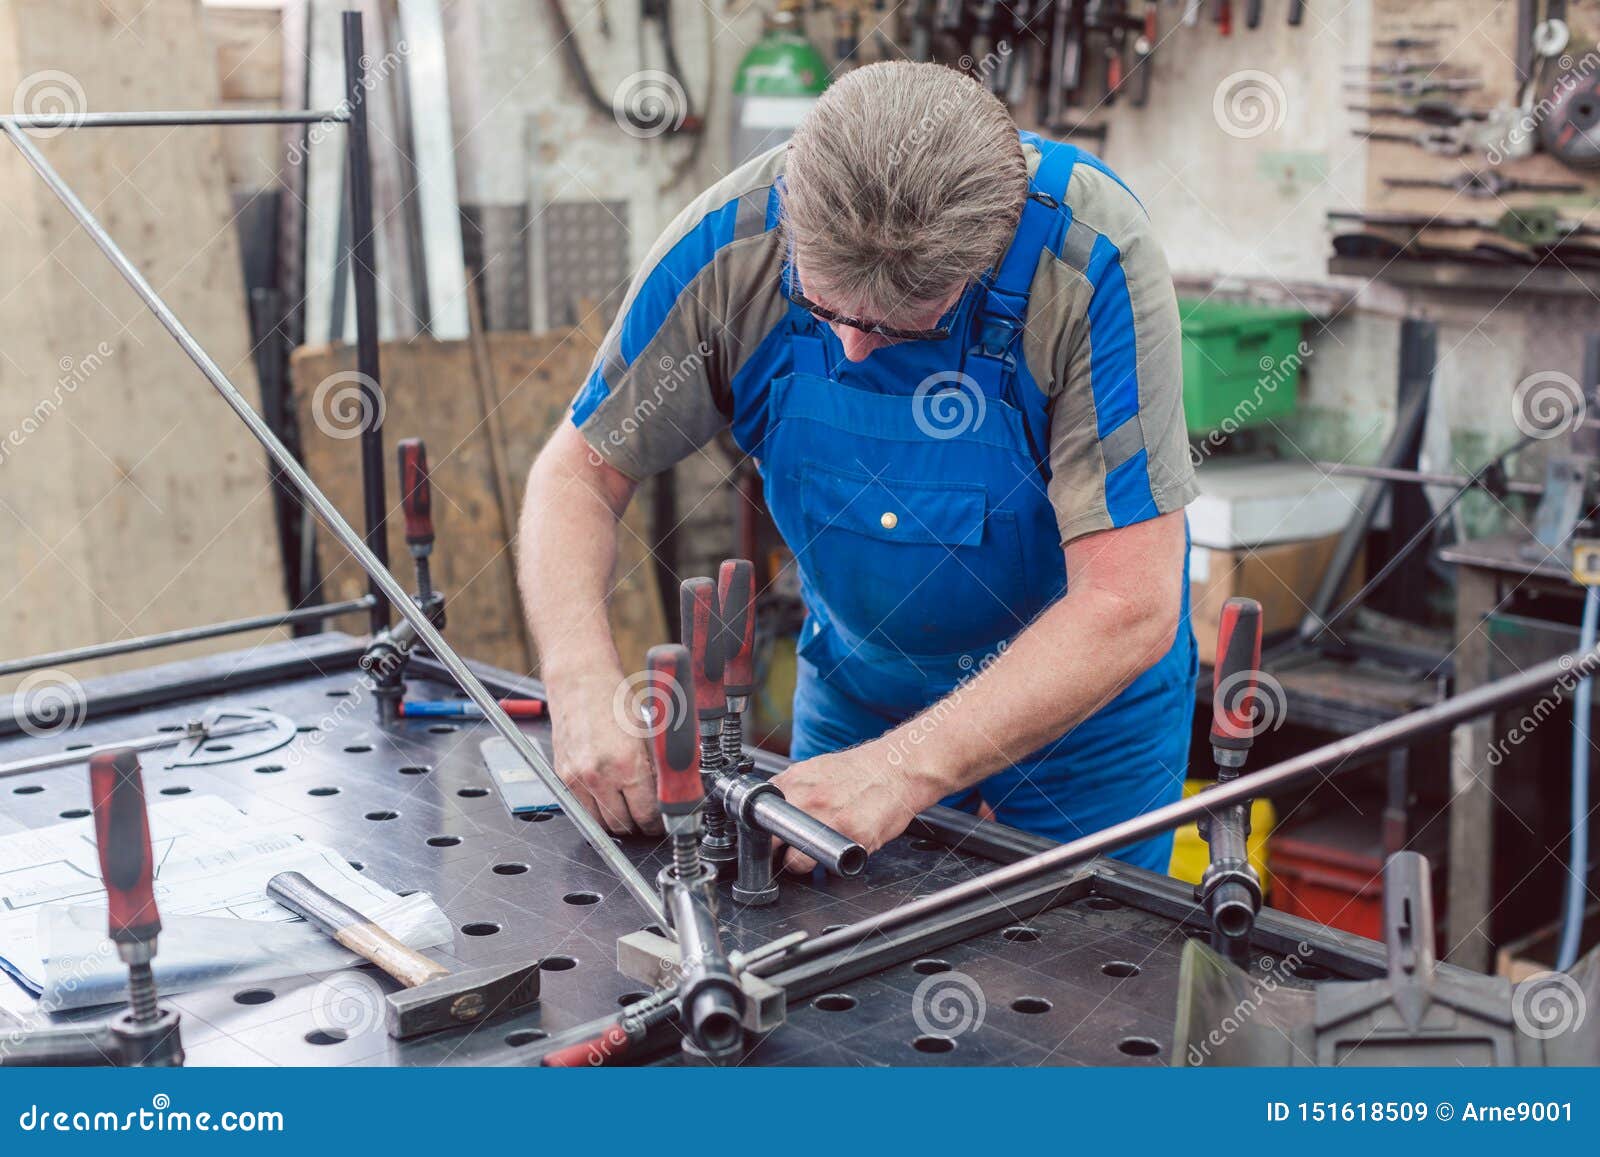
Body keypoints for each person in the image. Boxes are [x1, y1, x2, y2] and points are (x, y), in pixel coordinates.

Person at [519, 61, 1197, 875]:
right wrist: (581, 685)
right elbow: (578, 474)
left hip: (1082, 726)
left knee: (1078, 982)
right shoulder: (731, 244)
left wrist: (902, 772)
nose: (851, 348)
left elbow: (1129, 600)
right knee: (829, 973)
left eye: (898, 330)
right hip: (860, 698)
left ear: (983, 261)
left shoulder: (1086, 261)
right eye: (823, 308)